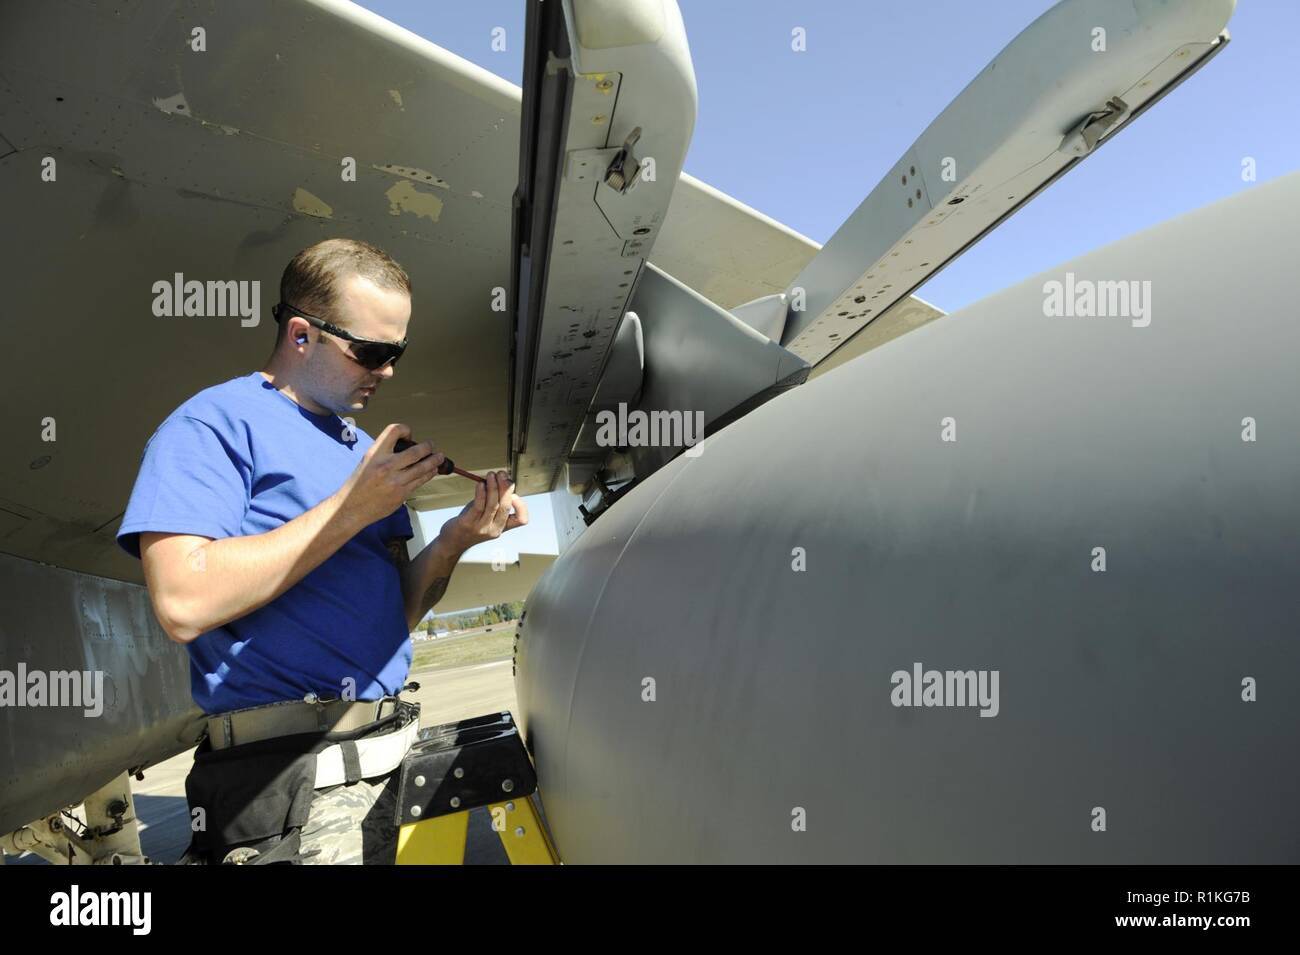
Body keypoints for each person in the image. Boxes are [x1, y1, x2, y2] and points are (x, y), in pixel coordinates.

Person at [115, 238, 528, 863]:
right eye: (372, 352)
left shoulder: (360, 452)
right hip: (290, 784)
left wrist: (453, 542)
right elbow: (182, 602)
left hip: (386, 762)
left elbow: (393, 619)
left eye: (398, 353)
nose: (387, 370)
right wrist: (352, 509)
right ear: (302, 334)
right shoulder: (212, 426)